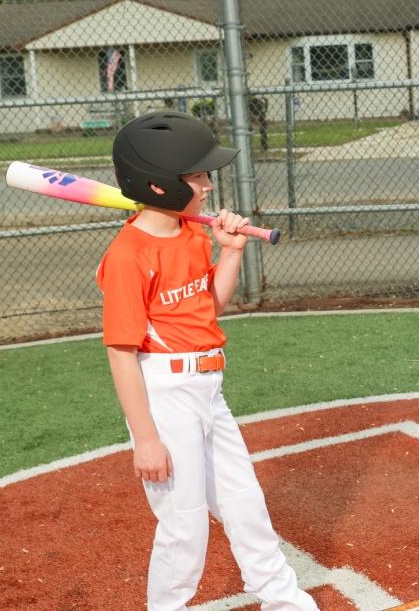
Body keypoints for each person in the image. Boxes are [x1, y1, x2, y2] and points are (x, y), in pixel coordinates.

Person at [97, 111, 318, 611]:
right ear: (158, 185)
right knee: (185, 526)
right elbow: (121, 353)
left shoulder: (192, 234)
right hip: (164, 397)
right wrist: (147, 439)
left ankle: (285, 602)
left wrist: (231, 253)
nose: (207, 185)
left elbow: (206, 309)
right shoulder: (128, 255)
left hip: (208, 389)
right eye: (196, 177)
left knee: (246, 507)